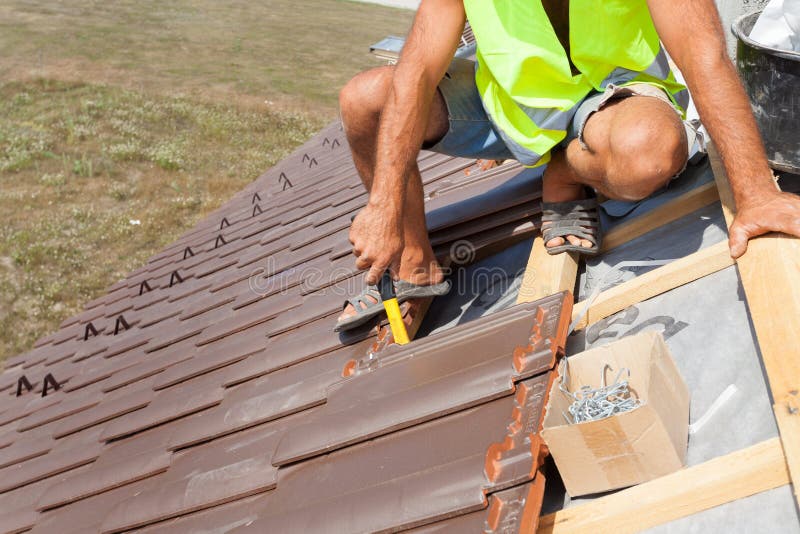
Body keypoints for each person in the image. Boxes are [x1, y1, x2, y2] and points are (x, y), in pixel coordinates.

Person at [334, 0, 800, 332]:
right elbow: (415, 73)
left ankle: (568, 169)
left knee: (648, 153)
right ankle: (415, 267)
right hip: (515, 108)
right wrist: (385, 203)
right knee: (365, 100)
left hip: (610, 99)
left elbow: (703, 51)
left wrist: (756, 193)